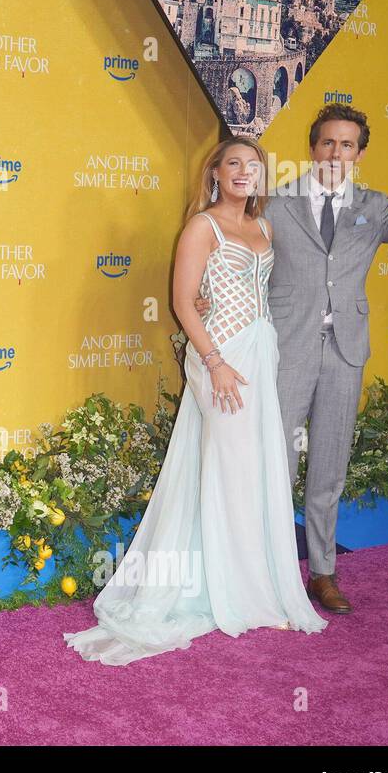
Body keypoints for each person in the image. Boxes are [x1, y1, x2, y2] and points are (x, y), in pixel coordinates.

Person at [195, 104, 388, 614]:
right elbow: (235, 255)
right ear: (312, 148)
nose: (335, 153)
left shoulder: (375, 206)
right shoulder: (274, 204)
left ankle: (322, 573)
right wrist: (203, 297)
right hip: (285, 349)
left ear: (359, 154)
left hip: (346, 352)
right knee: (275, 462)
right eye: (327, 142)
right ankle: (269, 572)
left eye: (347, 145)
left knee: (329, 466)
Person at [64, 137, 328, 666]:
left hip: (260, 355)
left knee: (252, 472)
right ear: (215, 172)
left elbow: (253, 294)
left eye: (253, 166)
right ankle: (238, 595)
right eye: (234, 164)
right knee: (229, 470)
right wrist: (214, 361)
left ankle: (252, 588)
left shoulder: (264, 227)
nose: (244, 173)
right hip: (219, 359)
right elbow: (184, 303)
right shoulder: (201, 227)